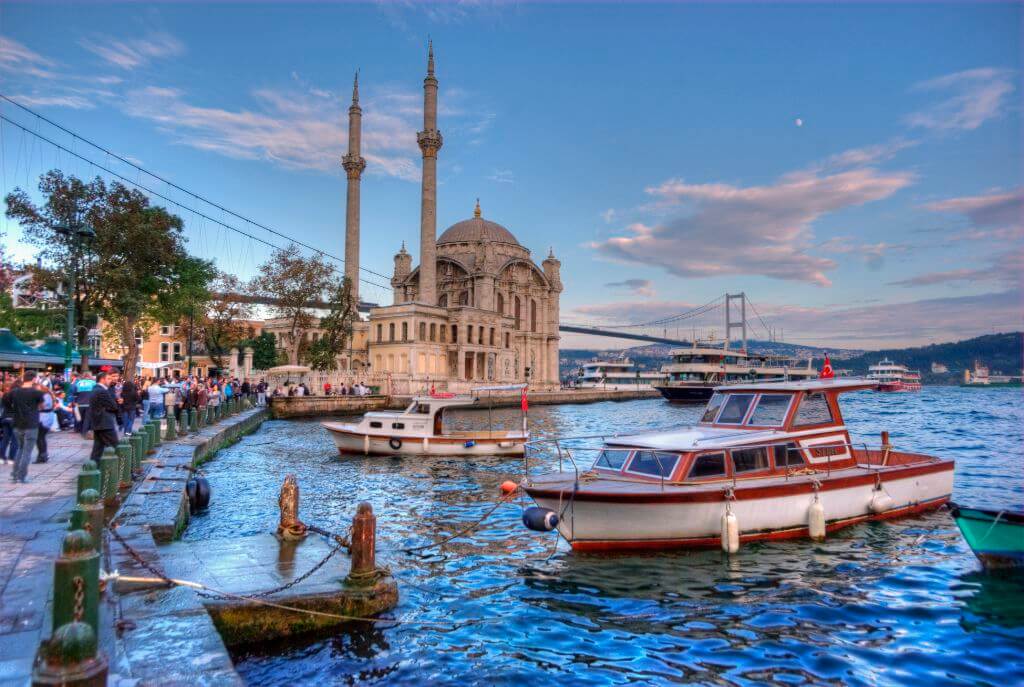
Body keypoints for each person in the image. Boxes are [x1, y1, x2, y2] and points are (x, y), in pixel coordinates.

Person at [9, 371, 45, 483]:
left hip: (17, 423)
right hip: (31, 424)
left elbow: (9, 404)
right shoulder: (37, 392)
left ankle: (15, 475)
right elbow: (42, 406)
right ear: (34, 379)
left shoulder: (14, 392)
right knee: (27, 451)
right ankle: (22, 476)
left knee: (20, 449)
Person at [89, 371, 120, 461]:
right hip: (105, 424)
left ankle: (94, 466)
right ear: (102, 379)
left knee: (97, 449)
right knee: (116, 447)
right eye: (108, 379)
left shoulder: (95, 389)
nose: (111, 380)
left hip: (98, 423)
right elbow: (113, 406)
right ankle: (124, 468)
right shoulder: (102, 391)